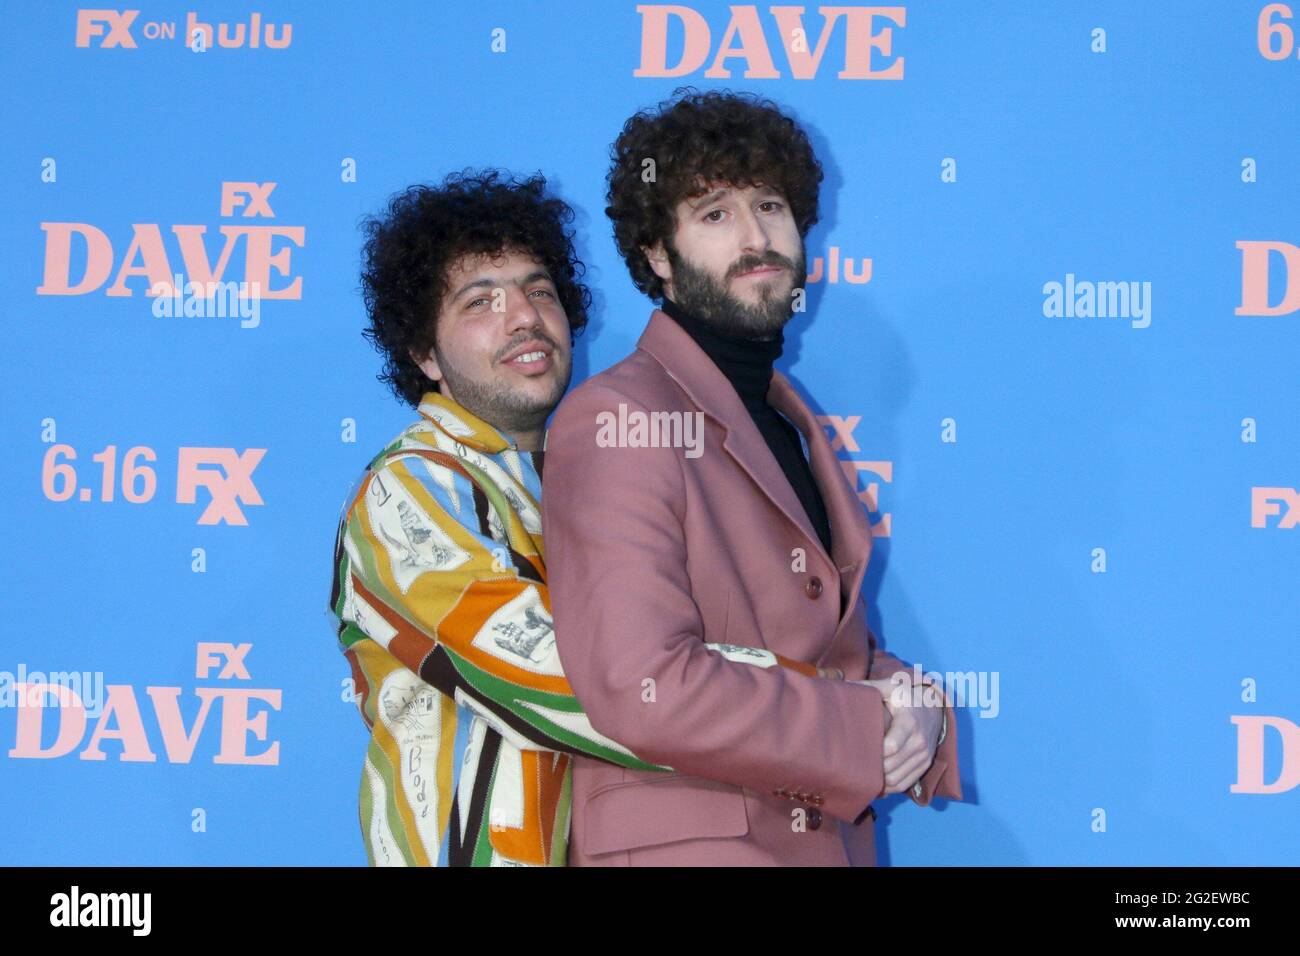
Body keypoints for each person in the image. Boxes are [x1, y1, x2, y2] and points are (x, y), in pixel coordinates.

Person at [327, 168, 830, 866]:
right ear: (423, 355)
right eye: (481, 303)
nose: (525, 317)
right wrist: (829, 702)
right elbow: (594, 679)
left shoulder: (578, 476)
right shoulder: (407, 492)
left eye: (540, 290)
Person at [541, 89, 964, 866]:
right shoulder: (615, 418)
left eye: (770, 206)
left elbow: (826, 652)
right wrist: (864, 727)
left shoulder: (787, 419)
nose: (755, 237)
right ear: (657, 257)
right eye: (714, 214)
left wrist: (918, 708)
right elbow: (643, 684)